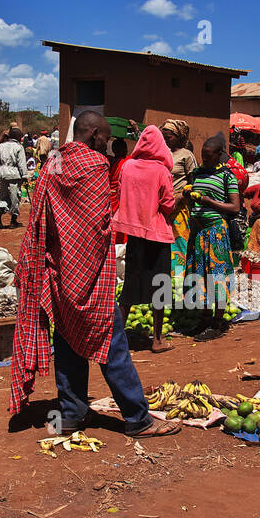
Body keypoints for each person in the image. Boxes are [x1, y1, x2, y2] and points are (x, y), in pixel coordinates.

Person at [10, 110, 178, 438]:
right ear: (93, 135)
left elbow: (42, 216)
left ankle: (71, 414)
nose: (108, 143)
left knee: (68, 339)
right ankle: (137, 419)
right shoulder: (96, 165)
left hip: (58, 272)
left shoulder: (53, 162)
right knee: (111, 342)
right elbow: (98, 223)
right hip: (90, 276)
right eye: (104, 137)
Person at [114, 126, 177, 353]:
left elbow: (121, 194)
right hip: (157, 237)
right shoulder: (162, 171)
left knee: (130, 287)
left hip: (134, 235)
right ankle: (157, 339)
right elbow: (168, 206)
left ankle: (117, 341)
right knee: (159, 286)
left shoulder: (127, 166)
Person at [185, 133, 241, 333]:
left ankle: (218, 321)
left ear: (220, 155)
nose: (204, 159)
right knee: (200, 276)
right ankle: (205, 318)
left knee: (216, 276)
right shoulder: (198, 172)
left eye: (208, 156)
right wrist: (188, 196)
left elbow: (235, 207)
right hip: (198, 233)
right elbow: (193, 200)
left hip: (216, 233)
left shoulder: (227, 176)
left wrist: (209, 202)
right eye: (203, 155)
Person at [161, 119, 198, 303]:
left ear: (179, 136)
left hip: (180, 207)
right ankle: (167, 283)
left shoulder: (186, 155)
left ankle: (181, 286)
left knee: (180, 245)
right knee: (165, 245)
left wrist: (182, 197)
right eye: (164, 137)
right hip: (164, 206)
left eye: (170, 137)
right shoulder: (162, 153)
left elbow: (194, 182)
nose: (166, 140)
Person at [0, 127, 29, 228]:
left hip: (3, 173)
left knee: (3, 196)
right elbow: (21, 163)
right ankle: (13, 221)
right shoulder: (19, 147)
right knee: (15, 198)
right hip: (14, 174)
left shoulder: (2, 146)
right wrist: (25, 176)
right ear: (18, 137)